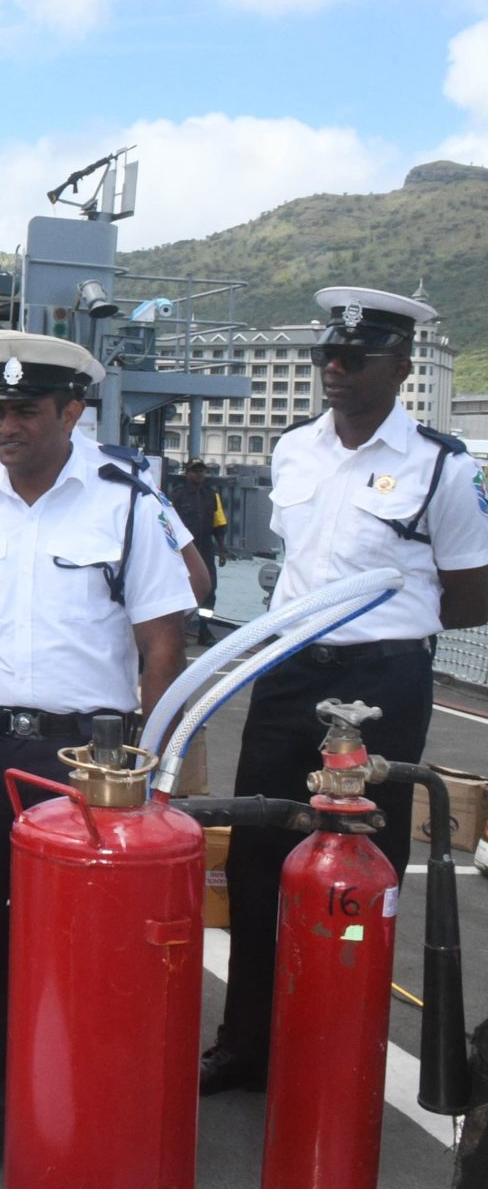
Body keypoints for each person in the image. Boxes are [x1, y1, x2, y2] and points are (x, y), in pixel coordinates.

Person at [0, 331, 192, 1183]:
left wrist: (144, 768)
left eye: (24, 410)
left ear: (72, 412)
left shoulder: (127, 503)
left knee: (88, 944)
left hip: (87, 764)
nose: (4, 426)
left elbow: (163, 645)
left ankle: (83, 1101)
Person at [200, 287, 488, 1096]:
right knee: (259, 856)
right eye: (328, 352)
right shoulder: (296, 449)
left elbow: (471, 591)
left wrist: (395, 629)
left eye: (356, 356)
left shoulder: (441, 467)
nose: (335, 366)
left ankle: (337, 1049)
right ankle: (247, 1044)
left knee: (365, 864)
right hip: (290, 671)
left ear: (399, 367)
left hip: (382, 682)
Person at [170, 460, 226, 643]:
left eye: (201, 471)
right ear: (186, 473)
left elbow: (219, 525)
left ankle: (204, 629)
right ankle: (180, 632)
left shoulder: (212, 496)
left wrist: (222, 550)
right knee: (181, 589)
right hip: (184, 552)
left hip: (207, 550)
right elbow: (167, 524)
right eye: (194, 471)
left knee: (210, 590)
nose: (198, 474)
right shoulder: (177, 496)